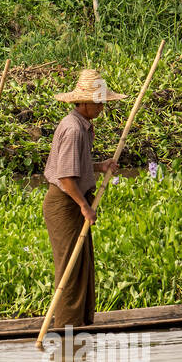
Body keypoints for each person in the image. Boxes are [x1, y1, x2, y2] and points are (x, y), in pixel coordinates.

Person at [42, 69, 125, 328]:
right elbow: (66, 178)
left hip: (73, 200)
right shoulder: (74, 129)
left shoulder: (82, 126)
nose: (102, 107)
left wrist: (100, 166)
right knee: (71, 268)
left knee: (83, 264)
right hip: (65, 203)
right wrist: (84, 206)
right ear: (84, 103)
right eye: (99, 102)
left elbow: (77, 165)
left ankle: (80, 324)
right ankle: (67, 328)